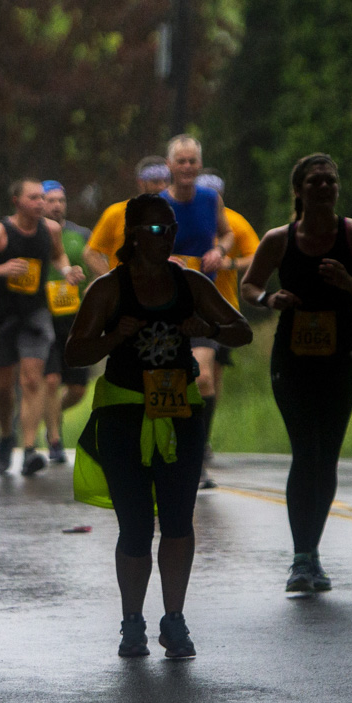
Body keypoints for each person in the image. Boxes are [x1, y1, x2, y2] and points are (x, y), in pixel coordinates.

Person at [66, 194, 251, 659]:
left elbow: (241, 331)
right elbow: (74, 352)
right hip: (123, 416)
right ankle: (132, 623)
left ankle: (174, 619)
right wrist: (114, 337)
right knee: (133, 525)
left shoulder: (188, 283)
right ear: (131, 233)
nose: (163, 237)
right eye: (152, 230)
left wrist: (203, 325)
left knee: (177, 520)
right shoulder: (109, 288)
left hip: (179, 416)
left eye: (169, 229)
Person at [241, 154, 352, 593]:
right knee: (306, 449)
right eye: (315, 181)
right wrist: (269, 300)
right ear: (299, 191)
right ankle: (303, 557)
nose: (324, 188)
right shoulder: (280, 239)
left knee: (327, 453)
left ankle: (312, 550)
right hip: (293, 358)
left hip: (341, 356)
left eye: (331, 181)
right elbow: (248, 285)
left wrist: (349, 284)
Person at [0, 178, 84, 476]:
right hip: (3, 316)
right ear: (17, 202)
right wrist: (0, 269)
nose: (41, 203)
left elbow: (57, 254)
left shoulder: (51, 230)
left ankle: (29, 451)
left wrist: (66, 270)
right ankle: (6, 437)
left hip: (35, 314)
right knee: (4, 387)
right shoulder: (0, 234)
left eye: (42, 198)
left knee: (32, 381)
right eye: (34, 198)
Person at [159, 135, 235, 488]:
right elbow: (140, 248)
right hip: (165, 304)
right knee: (171, 381)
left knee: (203, 377)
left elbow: (228, 234)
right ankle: (168, 451)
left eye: (193, 161)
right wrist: (163, 258)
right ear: (170, 165)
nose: (187, 167)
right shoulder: (158, 204)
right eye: (181, 161)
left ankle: (196, 453)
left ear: (199, 165)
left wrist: (219, 250)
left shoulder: (210, 199)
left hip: (202, 302)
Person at [197, 169, 260, 468]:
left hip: (225, 306)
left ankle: (203, 434)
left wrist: (230, 263)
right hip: (192, 307)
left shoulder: (233, 223)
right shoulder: (190, 217)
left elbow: (257, 254)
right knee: (201, 373)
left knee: (213, 374)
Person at [41, 180, 92, 464]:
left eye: (61, 200)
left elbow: (96, 267)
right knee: (50, 379)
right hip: (44, 318)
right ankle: (54, 438)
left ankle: (51, 413)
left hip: (76, 318)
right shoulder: (32, 236)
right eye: (51, 200)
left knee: (77, 389)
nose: (57, 206)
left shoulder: (81, 235)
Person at [82, 156, 169, 278]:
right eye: (155, 182)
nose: (162, 187)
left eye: (166, 181)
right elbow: (91, 253)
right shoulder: (116, 213)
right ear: (141, 182)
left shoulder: (175, 214)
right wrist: (111, 281)